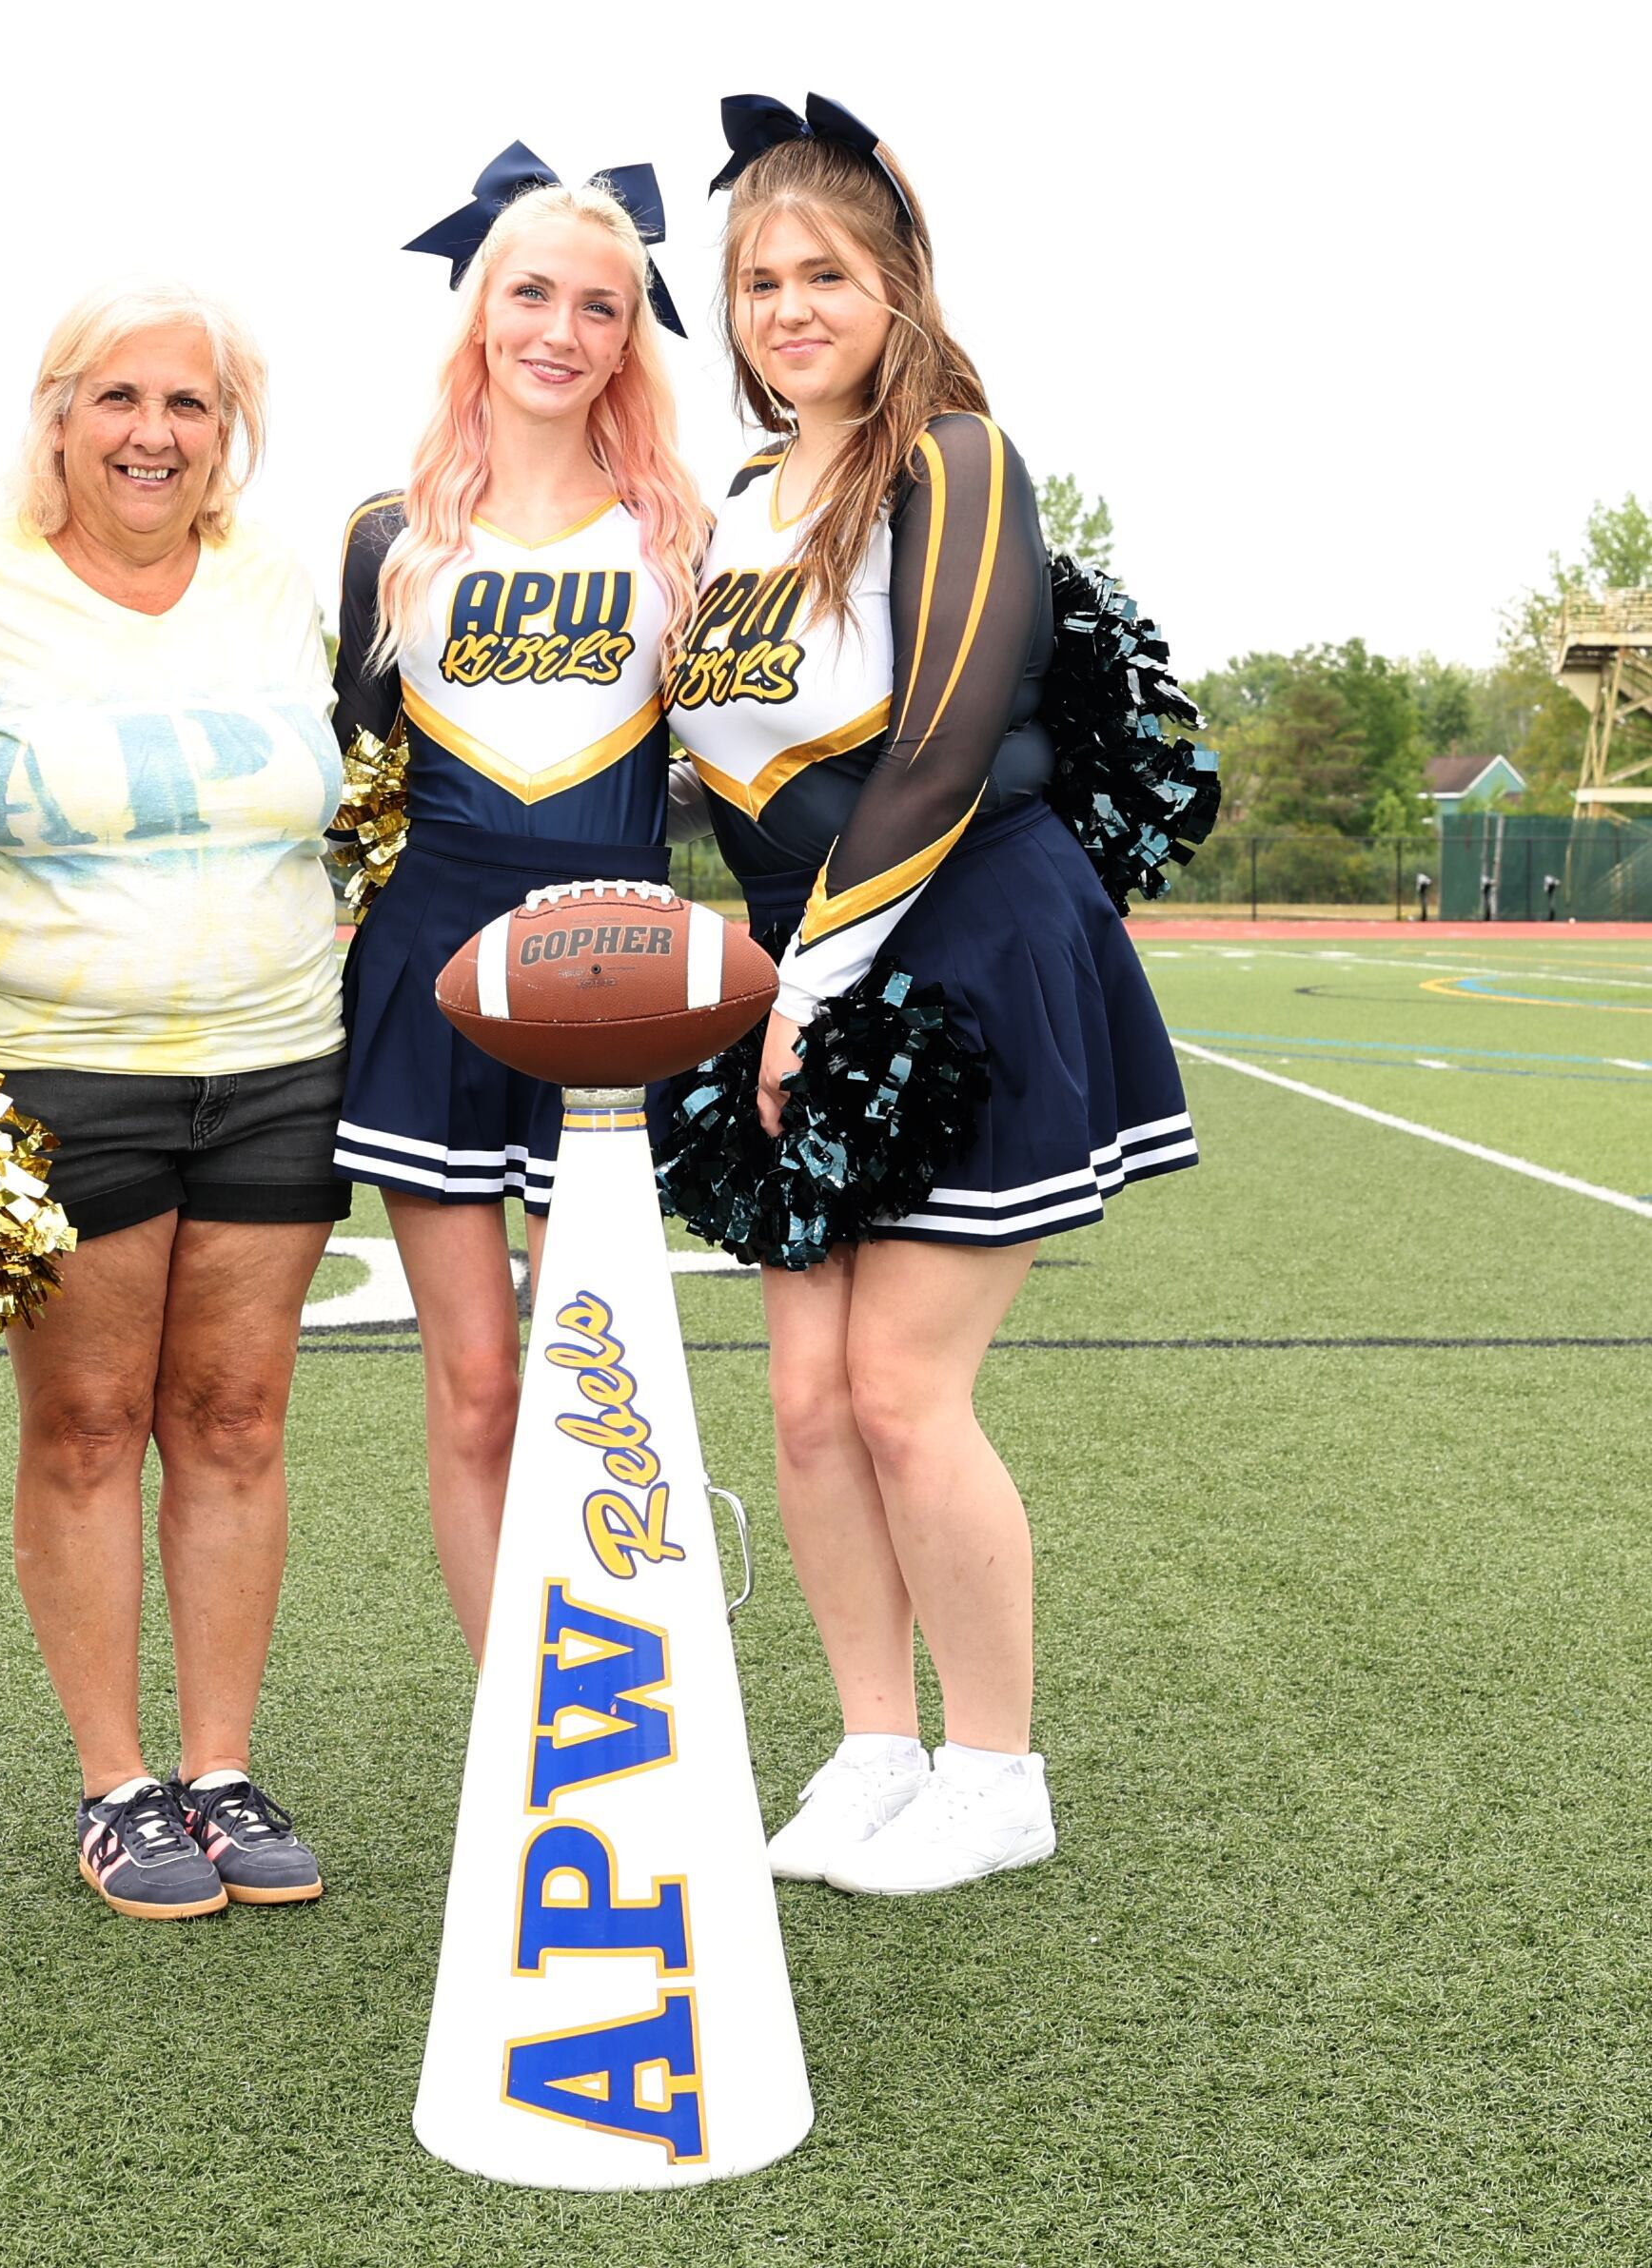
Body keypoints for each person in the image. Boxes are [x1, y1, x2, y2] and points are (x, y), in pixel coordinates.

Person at [663, 95, 1198, 1895]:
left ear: (897, 287)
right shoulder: (736, 499)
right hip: (797, 970)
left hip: (951, 947)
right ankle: (873, 1746)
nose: (787, 308)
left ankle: (995, 1767)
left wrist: (810, 981)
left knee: (900, 1390)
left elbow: (952, 742)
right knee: (804, 1401)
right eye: (755, 280)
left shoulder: (951, 460)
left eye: (823, 272)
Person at [0, 283, 344, 1919]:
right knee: (85, 1426)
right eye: (121, 400)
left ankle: (219, 1768)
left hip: (282, 1052)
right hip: (56, 1066)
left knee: (231, 1422)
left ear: (229, 436)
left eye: (192, 406)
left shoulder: (279, 582)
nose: (155, 435)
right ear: (58, 415)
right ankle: (114, 1784)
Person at [332, 148, 709, 1658]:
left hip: (611, 980)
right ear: (480, 312)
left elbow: (753, 763)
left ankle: (617, 1677)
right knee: (476, 1383)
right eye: (531, 292)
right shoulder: (390, 536)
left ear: (630, 337)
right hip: (432, 971)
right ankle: (517, 1719)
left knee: (587, 1374)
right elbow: (321, 772)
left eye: (599, 306)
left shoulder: (679, 539)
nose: (561, 329)